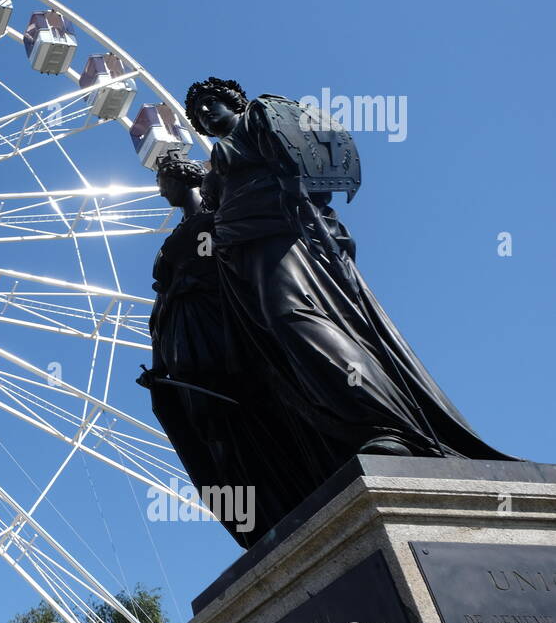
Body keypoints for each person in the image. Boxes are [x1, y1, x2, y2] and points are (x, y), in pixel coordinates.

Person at [185, 76, 513, 466]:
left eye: (210, 102)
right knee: (274, 349)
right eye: (197, 114)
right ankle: (341, 430)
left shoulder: (259, 115)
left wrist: (294, 192)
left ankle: (385, 421)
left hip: (281, 235)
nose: (204, 113)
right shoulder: (216, 166)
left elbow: (298, 158)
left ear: (234, 101)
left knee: (292, 315)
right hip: (242, 255)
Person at [140, 153, 338, 546]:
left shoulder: (220, 217)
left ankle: (293, 486)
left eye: (164, 182)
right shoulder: (178, 240)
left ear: (184, 177)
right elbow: (163, 299)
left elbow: (243, 262)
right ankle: (265, 514)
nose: (162, 191)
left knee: (248, 401)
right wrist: (161, 363)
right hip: (183, 338)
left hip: (221, 324)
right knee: (213, 426)